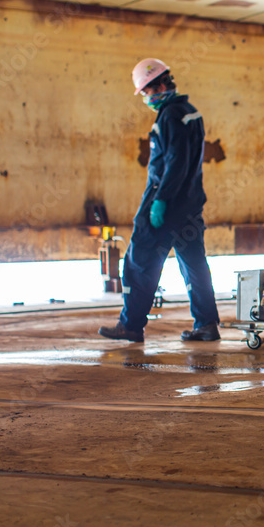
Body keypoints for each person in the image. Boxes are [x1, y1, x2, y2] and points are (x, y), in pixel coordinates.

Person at [99, 59, 220, 343]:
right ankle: (207, 324)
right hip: (190, 205)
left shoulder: (169, 116)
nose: (146, 98)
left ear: (160, 85)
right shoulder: (191, 112)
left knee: (138, 262)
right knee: (195, 265)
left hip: (165, 206)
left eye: (146, 92)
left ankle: (130, 325)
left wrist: (160, 201)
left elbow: (174, 163)